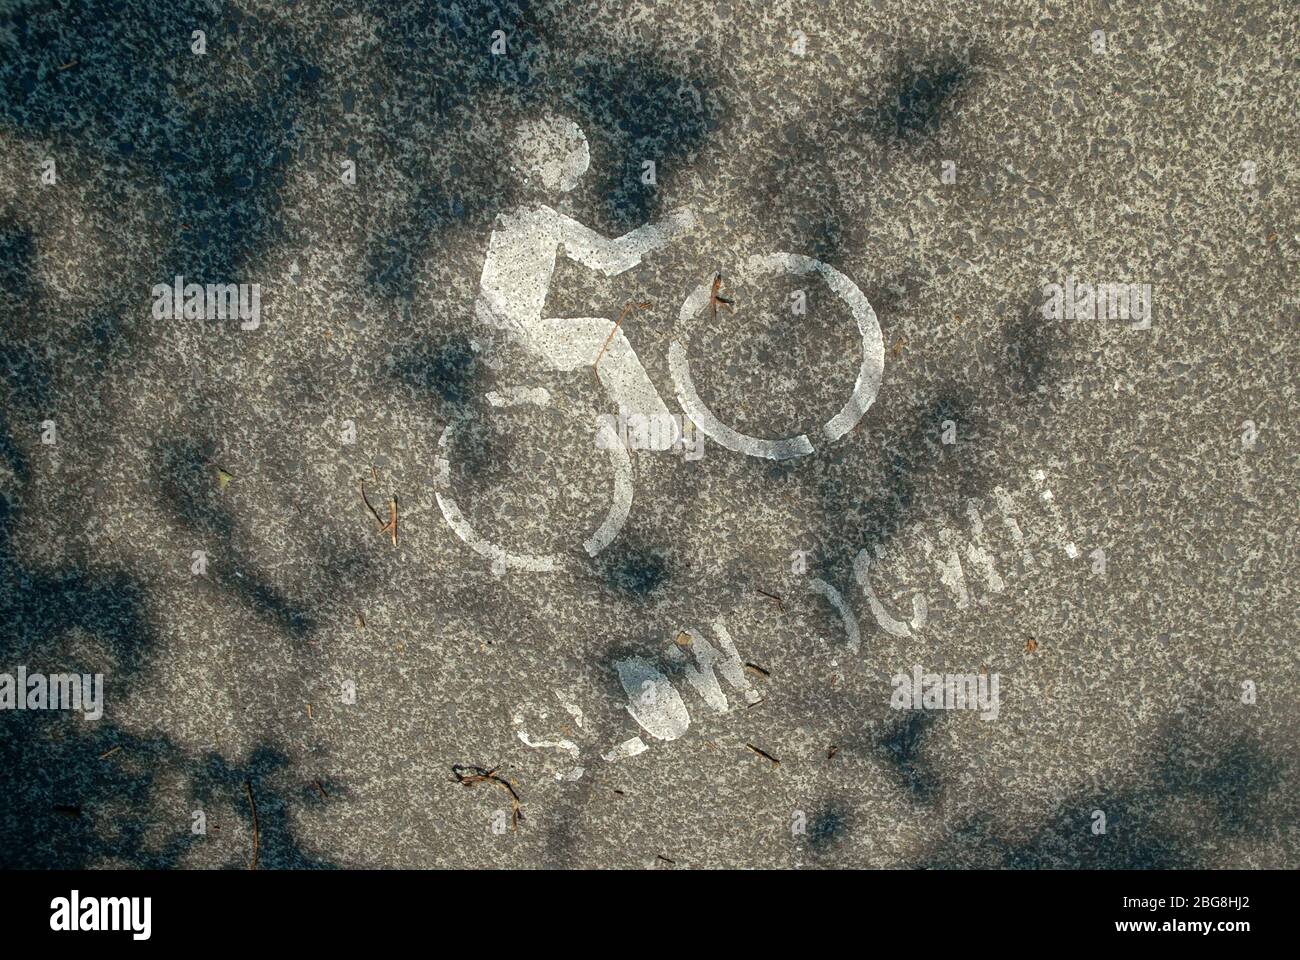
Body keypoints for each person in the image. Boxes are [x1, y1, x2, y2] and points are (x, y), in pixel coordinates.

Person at [475, 114, 694, 427]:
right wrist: (668, 228)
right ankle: (658, 435)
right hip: (515, 336)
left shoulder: (512, 212)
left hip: (496, 332)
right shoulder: (541, 219)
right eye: (568, 167)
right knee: (605, 336)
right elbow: (610, 256)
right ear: (546, 167)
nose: (574, 181)